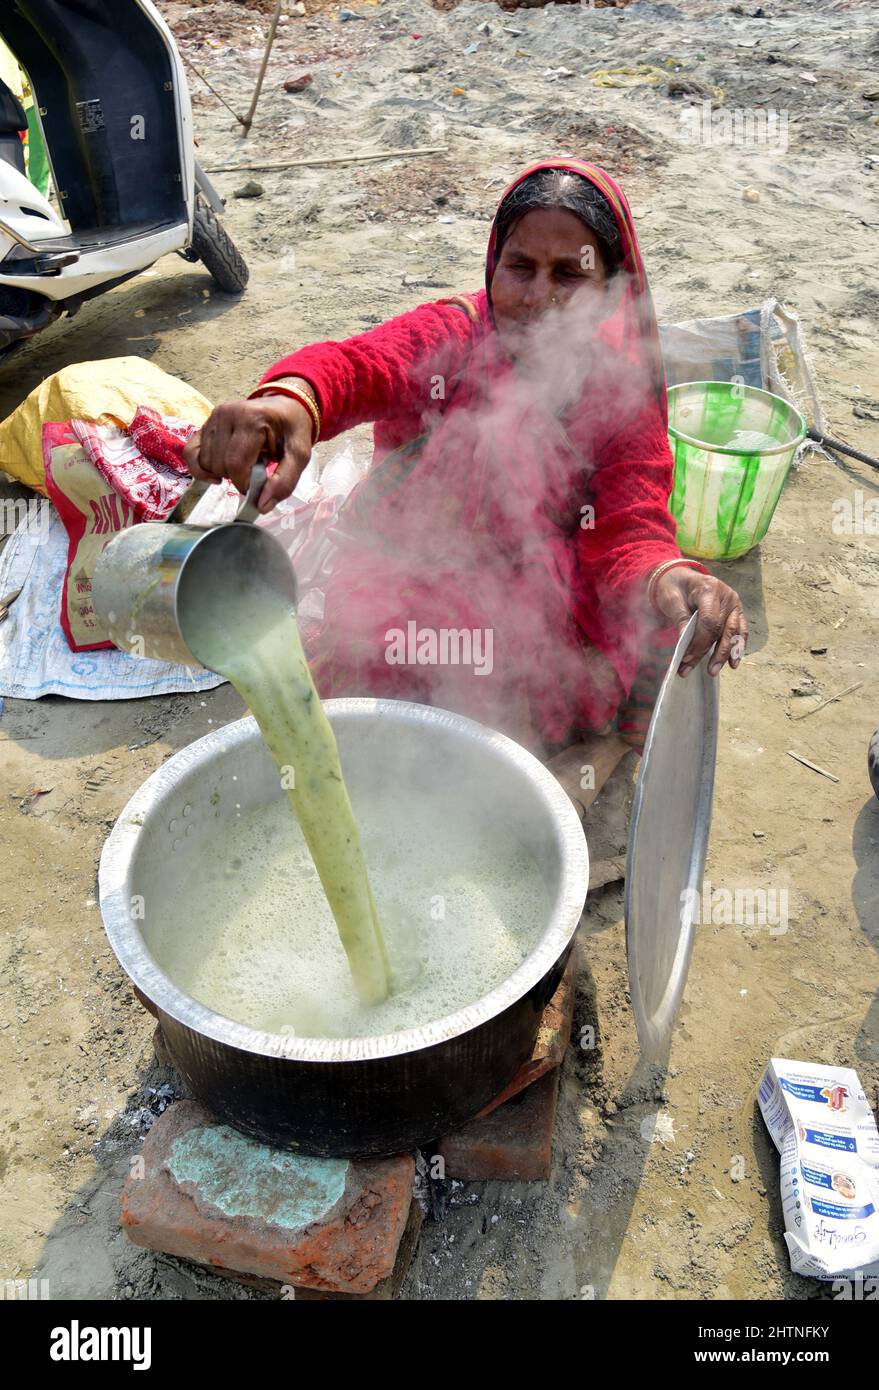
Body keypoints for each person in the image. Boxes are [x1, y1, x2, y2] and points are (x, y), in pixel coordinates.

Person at [185, 158, 748, 811]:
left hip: (541, 590)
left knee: (647, 629)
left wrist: (664, 576)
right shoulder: (450, 337)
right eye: (520, 267)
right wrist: (288, 404)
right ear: (492, 265)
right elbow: (358, 367)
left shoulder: (618, 397)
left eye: (570, 273)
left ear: (612, 287)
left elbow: (631, 529)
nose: (539, 297)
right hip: (409, 565)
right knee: (381, 661)